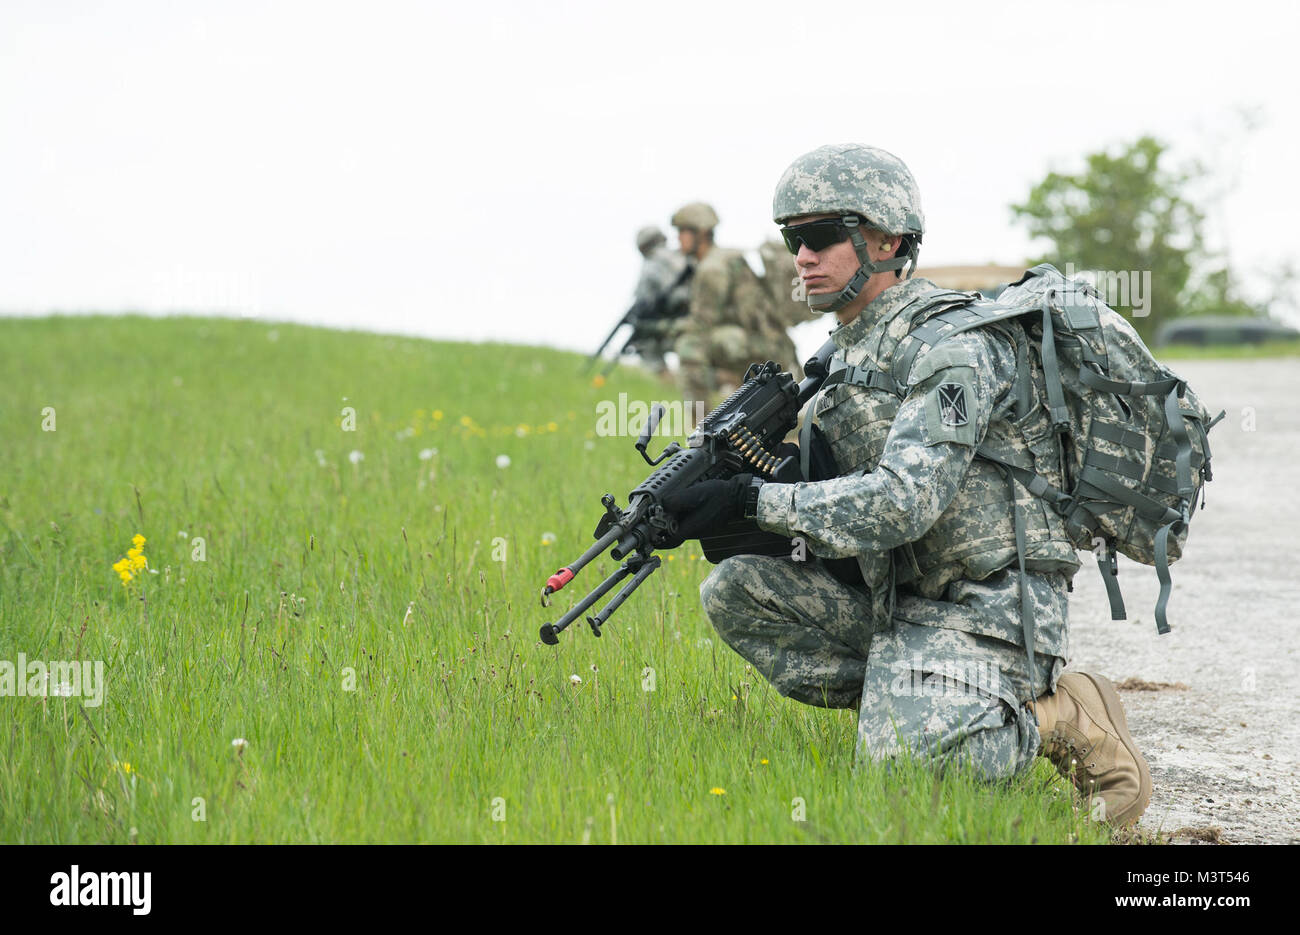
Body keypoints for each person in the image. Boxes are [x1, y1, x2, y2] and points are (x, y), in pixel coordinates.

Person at [664, 144, 1151, 826]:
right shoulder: (841, 355)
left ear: (887, 239)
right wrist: (713, 506)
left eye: (821, 236)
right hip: (903, 597)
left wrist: (756, 501)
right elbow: (831, 494)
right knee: (738, 590)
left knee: (908, 774)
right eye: (791, 239)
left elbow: (902, 500)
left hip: (992, 599)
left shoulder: (950, 347)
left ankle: (1061, 714)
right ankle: (926, 701)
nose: (801, 256)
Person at [671, 202, 798, 407]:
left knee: (689, 345)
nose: (678, 238)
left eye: (683, 231)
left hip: (759, 347)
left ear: (701, 233)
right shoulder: (728, 256)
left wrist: (665, 329)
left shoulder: (711, 269)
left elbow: (701, 324)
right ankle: (733, 383)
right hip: (772, 344)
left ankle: (701, 423)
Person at [627, 226, 692, 376]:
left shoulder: (652, 263)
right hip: (691, 318)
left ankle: (665, 383)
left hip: (677, 323)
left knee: (646, 346)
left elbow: (643, 299)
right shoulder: (681, 256)